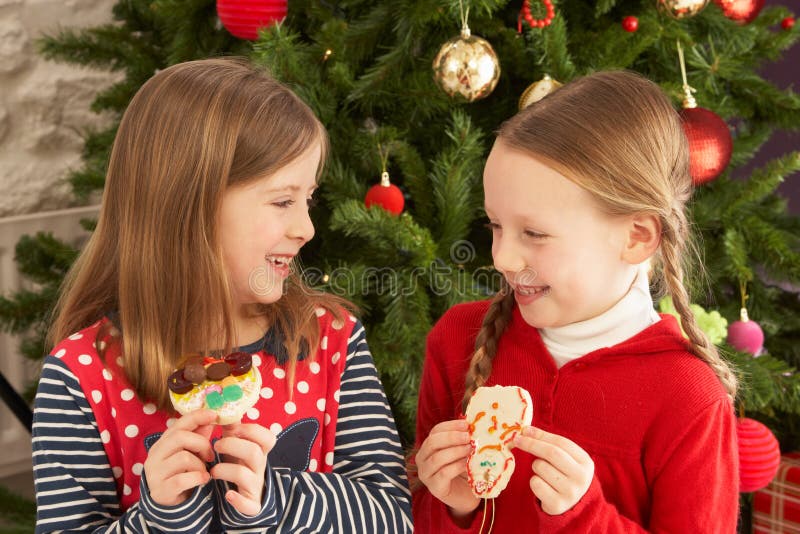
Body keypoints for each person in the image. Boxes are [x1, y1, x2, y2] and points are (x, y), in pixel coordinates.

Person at [32, 58, 412, 533]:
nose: (306, 228)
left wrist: (275, 495)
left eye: (307, 199)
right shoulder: (82, 376)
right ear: (187, 205)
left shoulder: (331, 340)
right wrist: (157, 518)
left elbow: (390, 515)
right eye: (281, 201)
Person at [411, 70, 738, 532]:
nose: (502, 257)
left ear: (637, 236)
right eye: (495, 226)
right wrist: (453, 507)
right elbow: (419, 518)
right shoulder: (457, 339)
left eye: (535, 234)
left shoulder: (688, 398)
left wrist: (584, 517)